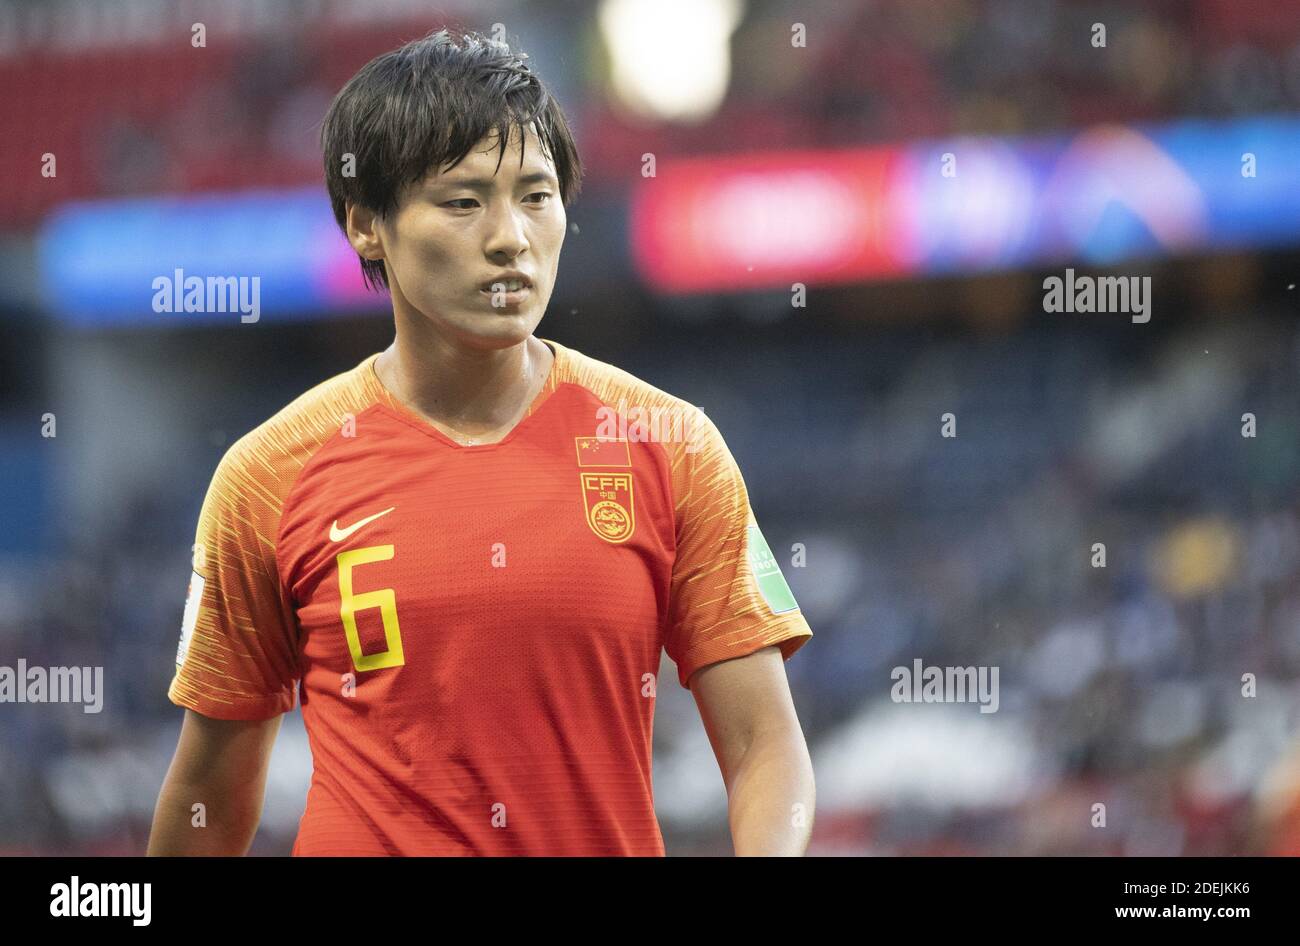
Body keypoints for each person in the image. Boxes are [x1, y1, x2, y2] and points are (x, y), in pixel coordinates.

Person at [148, 28, 813, 856]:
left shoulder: (669, 444)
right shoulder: (266, 475)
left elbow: (765, 748)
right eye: (463, 203)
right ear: (366, 224)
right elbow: (210, 790)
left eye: (536, 196)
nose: (510, 238)